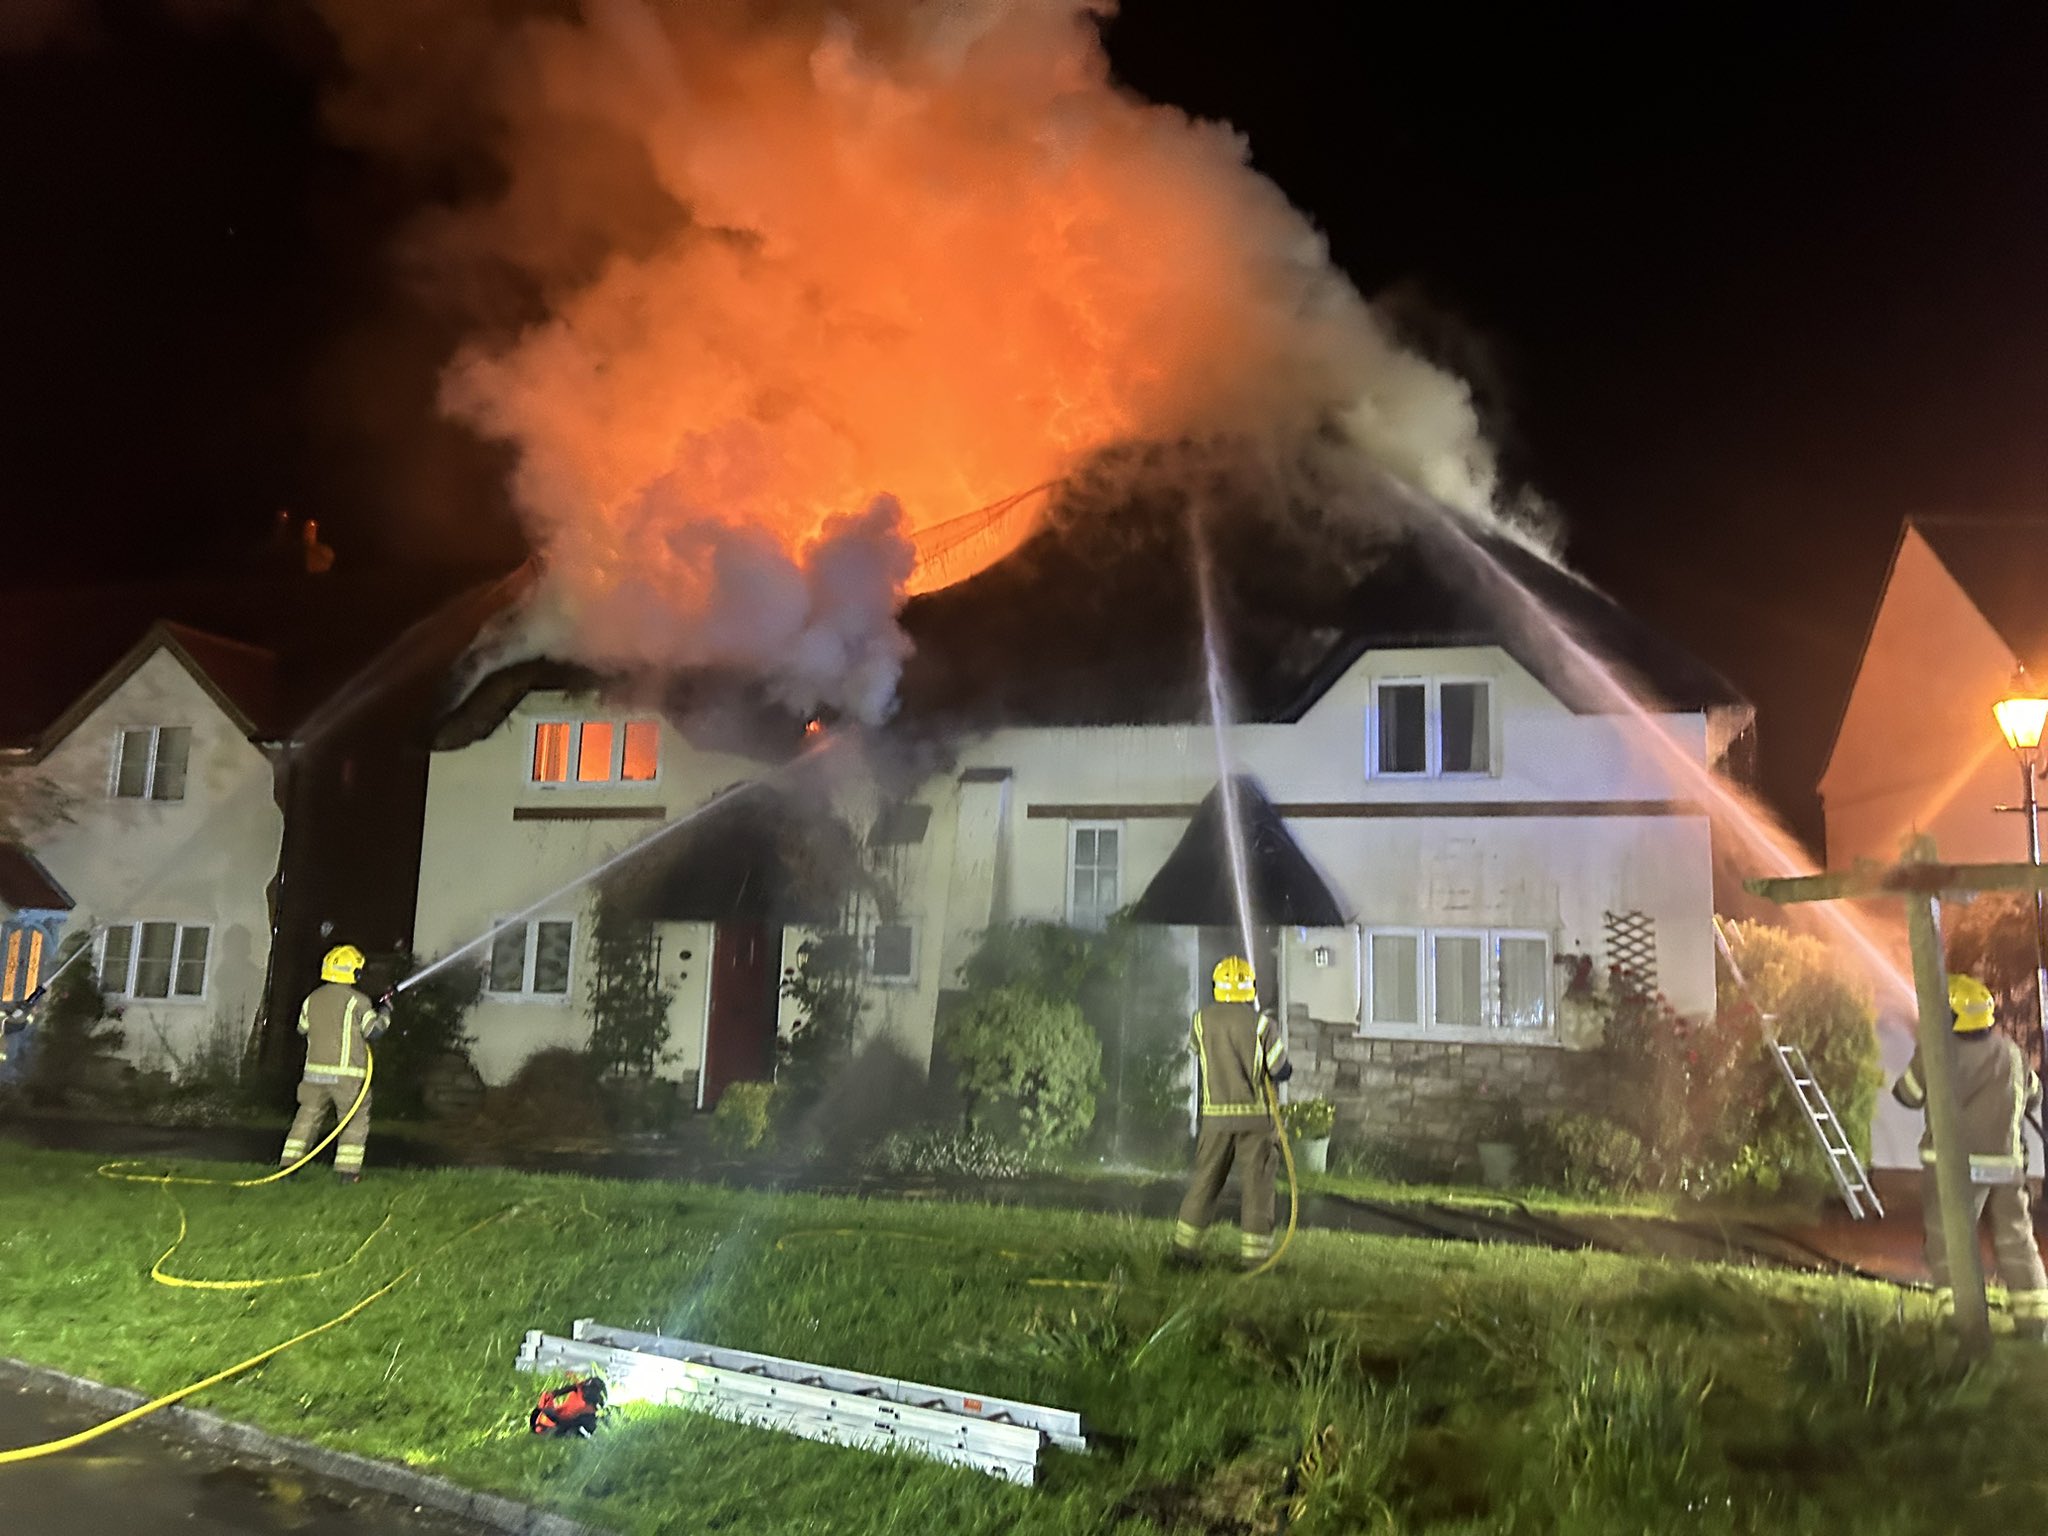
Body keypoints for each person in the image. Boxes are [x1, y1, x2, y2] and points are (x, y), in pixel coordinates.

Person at [1892, 972, 2048, 1338]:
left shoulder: (1937, 1052)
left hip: (1953, 1166)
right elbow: (2035, 1097)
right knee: (2015, 1237)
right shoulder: (2012, 1052)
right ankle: (2035, 1317)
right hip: (2006, 1166)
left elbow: (1907, 1095)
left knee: (1948, 1237)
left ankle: (1959, 1317)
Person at [1171, 954, 1293, 1271]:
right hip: (1256, 1121)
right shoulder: (1263, 1025)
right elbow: (1281, 1071)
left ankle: (1184, 1253)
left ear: (1217, 987)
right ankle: (1254, 1260)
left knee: (1205, 1182)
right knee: (1258, 1188)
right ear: (1250, 988)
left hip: (1215, 1119)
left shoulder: (1201, 1021)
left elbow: (1197, 1052)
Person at [279, 944, 388, 1183]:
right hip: (347, 1075)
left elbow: (302, 1028)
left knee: (306, 1118)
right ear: (355, 973)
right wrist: (386, 1011)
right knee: (354, 1118)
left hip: (313, 1074)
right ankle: (347, 1174)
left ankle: (288, 1167)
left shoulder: (312, 999)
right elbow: (375, 1031)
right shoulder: (358, 1001)